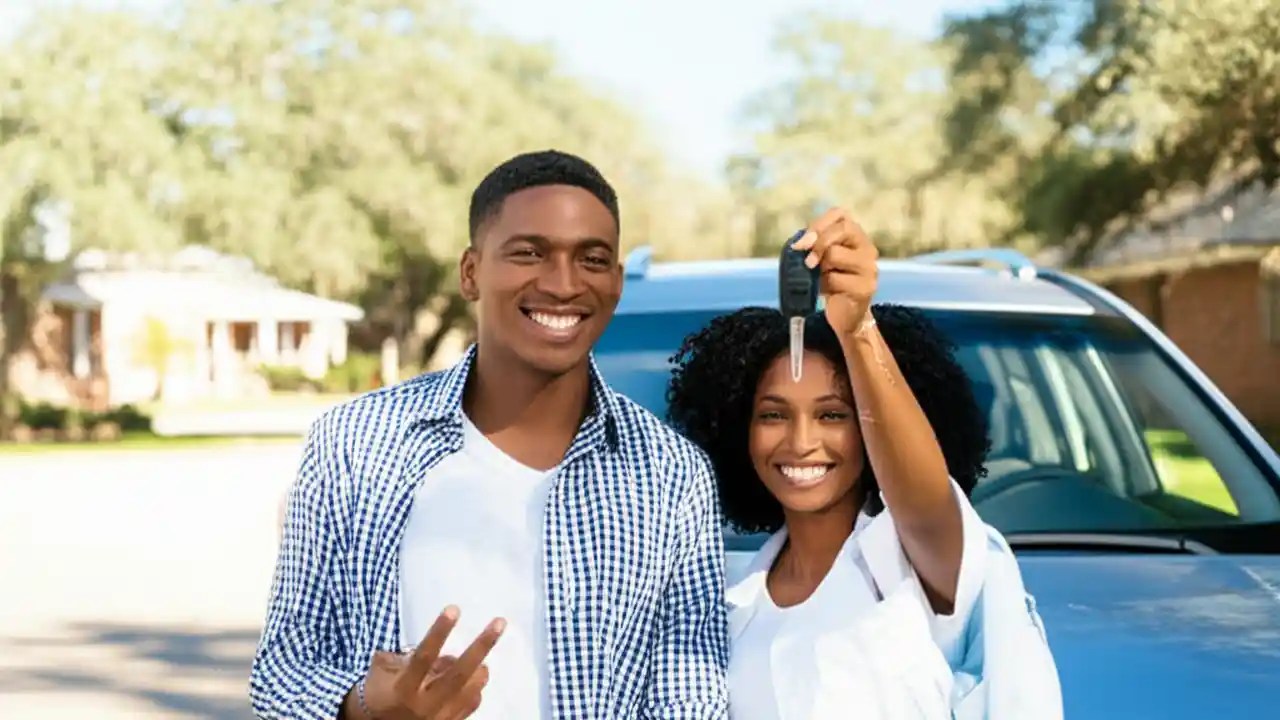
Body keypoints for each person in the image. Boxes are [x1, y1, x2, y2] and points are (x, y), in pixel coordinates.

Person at [250, 150, 730, 720]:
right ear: (471, 272)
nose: (563, 283)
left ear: (617, 283)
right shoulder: (355, 442)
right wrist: (364, 707)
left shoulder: (671, 474)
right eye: (530, 253)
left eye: (592, 259)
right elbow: (283, 669)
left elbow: (692, 695)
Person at [666, 209, 1060, 719]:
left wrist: (856, 327)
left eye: (833, 415)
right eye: (772, 415)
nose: (801, 441)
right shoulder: (730, 605)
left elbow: (922, 502)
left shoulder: (913, 559)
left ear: (870, 427)